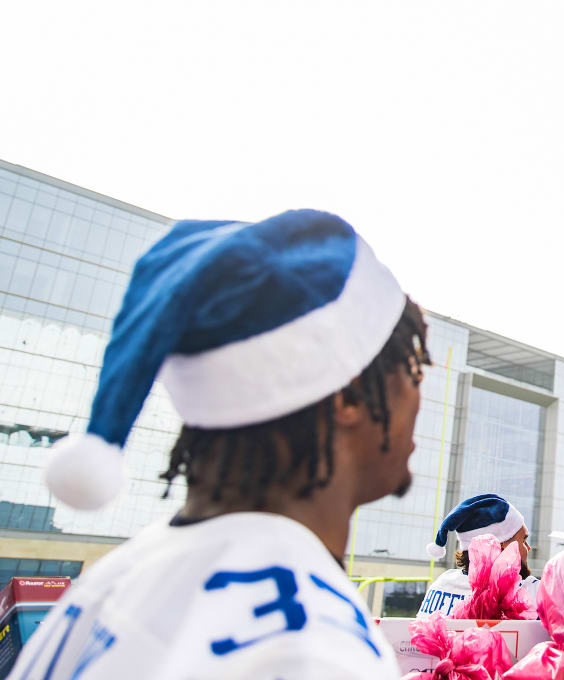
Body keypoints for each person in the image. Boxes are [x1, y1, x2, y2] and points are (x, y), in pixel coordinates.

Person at [11, 210, 425, 679]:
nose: (419, 392)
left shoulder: (106, 586)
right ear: (348, 396)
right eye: (412, 366)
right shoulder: (311, 647)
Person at [418, 494, 539, 617]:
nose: (528, 548)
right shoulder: (531, 591)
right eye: (523, 541)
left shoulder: (442, 583)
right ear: (500, 546)